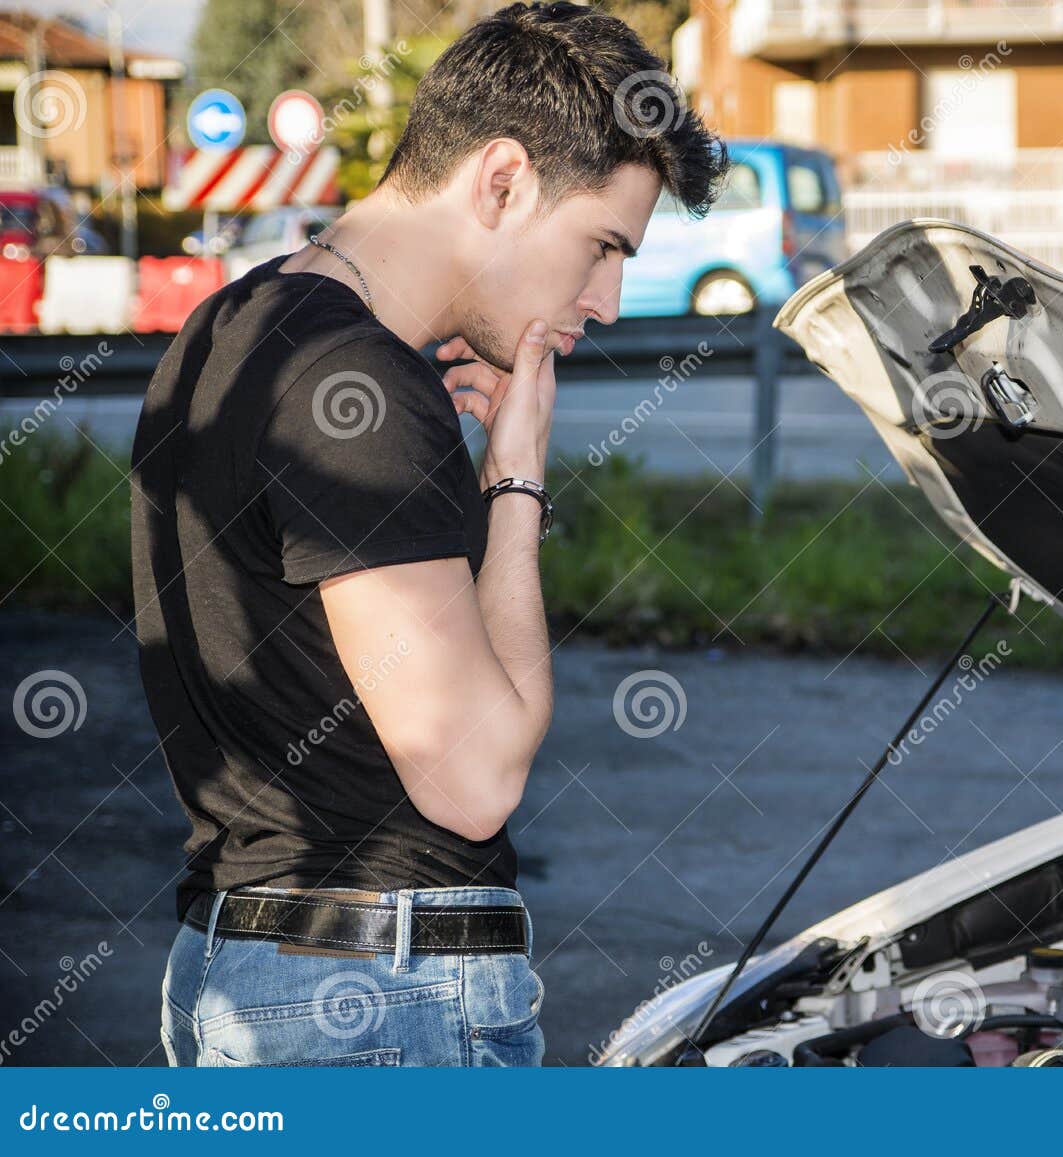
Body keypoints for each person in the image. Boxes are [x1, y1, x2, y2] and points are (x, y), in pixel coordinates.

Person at [132, 1, 728, 1067]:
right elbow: (475, 773)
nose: (609, 299)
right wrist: (515, 483)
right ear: (501, 179)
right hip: (376, 998)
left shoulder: (228, 326)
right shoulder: (359, 386)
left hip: (255, 970)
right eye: (599, 245)